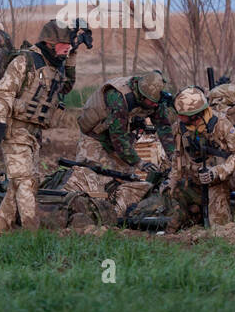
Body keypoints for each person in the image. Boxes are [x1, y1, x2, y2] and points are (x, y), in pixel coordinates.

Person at [0, 19, 80, 231]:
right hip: (14, 130)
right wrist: (0, 122)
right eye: (63, 46)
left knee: (20, 183)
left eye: (68, 47)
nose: (66, 50)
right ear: (49, 43)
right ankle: (32, 234)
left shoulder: (55, 66)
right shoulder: (24, 61)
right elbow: (3, 92)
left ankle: (1, 230)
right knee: (25, 182)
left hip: (34, 134)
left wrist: (73, 55)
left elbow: (65, 88)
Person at [66, 70, 172, 214]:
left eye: (156, 103)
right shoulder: (118, 97)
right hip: (95, 137)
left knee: (124, 181)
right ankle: (83, 212)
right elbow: (118, 136)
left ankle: (115, 213)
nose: (154, 106)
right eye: (151, 102)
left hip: (122, 140)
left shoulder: (156, 100)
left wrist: (174, 157)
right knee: (87, 177)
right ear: (142, 96)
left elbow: (164, 129)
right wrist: (139, 162)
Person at [168, 86, 235, 227]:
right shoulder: (179, 128)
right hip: (195, 180)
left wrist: (219, 171)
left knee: (219, 226)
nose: (180, 119)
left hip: (220, 180)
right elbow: (177, 157)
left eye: (184, 116)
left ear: (196, 114)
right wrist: (171, 182)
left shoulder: (223, 124)